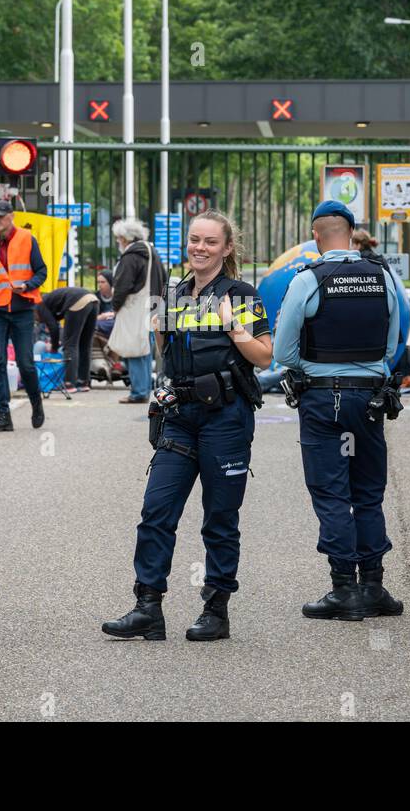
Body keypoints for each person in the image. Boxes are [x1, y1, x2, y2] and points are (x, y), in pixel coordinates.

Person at [102, 211, 271, 642]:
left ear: (227, 248)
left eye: (211, 242)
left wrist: (233, 325)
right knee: (156, 512)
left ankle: (215, 610)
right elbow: (163, 350)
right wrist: (158, 330)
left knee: (219, 518)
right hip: (180, 418)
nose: (200, 248)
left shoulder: (242, 293)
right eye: (195, 240)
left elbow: (266, 357)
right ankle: (147, 608)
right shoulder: (173, 292)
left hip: (226, 419)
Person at [273, 200, 405, 621]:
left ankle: (343, 590)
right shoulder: (383, 275)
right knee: (368, 492)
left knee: (331, 493)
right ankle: (375, 586)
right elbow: (393, 343)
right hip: (369, 398)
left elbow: (282, 351)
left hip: (322, 398)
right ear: (351, 231)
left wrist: (310, 365)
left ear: (316, 236)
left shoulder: (308, 278)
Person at [0, 200, 46, 432]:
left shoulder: (27, 238)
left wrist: (27, 285)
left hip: (22, 309)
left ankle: (36, 403)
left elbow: (42, 271)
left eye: (1, 217)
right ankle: (3, 415)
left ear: (12, 217)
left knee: (26, 363)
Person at [109, 219, 167, 404]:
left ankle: (139, 391)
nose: (118, 242)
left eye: (119, 239)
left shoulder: (131, 256)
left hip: (135, 308)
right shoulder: (152, 252)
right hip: (153, 304)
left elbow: (122, 285)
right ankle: (142, 388)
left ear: (126, 238)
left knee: (134, 348)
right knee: (144, 347)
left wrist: (115, 306)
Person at [36, 286, 98, 391]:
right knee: (85, 344)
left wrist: (54, 349)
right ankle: (83, 382)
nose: (38, 321)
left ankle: (69, 383)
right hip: (93, 300)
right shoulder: (50, 303)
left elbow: (54, 328)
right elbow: (55, 324)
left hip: (76, 301)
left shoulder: (39, 306)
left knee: (70, 345)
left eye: (36, 319)